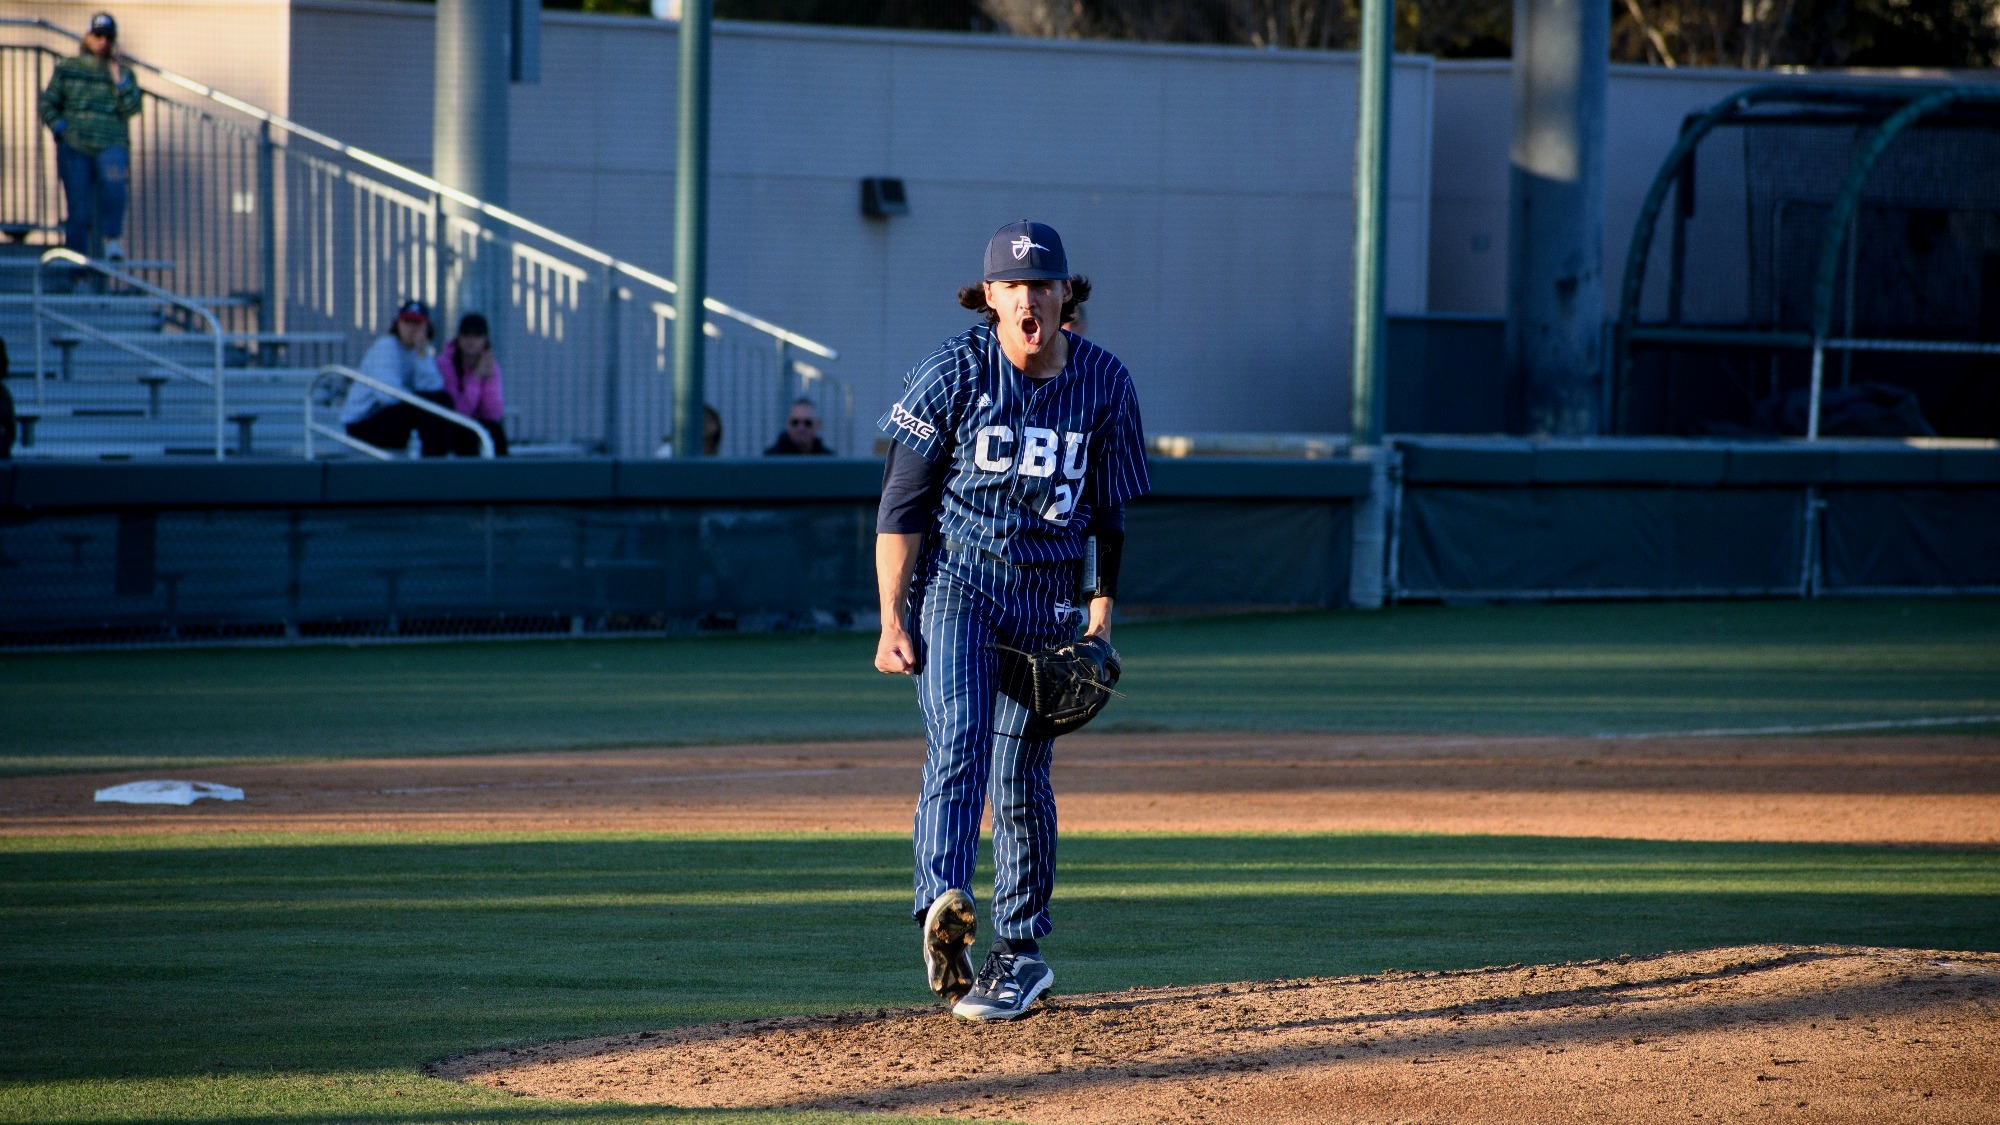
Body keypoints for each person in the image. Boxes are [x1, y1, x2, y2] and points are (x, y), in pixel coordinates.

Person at [874, 220, 1149, 1021]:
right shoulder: (950, 374)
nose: (1029, 298)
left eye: (1043, 284)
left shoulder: (1106, 383)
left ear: (1066, 294)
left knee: (1020, 774)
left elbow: (1107, 518)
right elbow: (901, 506)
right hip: (959, 586)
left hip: (1050, 600)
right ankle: (944, 905)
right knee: (959, 736)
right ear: (989, 296)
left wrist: (1099, 622)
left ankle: (1019, 953)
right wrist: (891, 618)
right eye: (1013, 285)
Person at [40, 12, 141, 261]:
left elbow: (131, 108)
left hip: (111, 143)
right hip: (75, 146)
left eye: (108, 37)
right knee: (79, 209)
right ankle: (77, 270)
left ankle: (112, 242)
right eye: (98, 35)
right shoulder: (68, 68)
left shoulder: (124, 73)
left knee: (114, 188)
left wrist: (119, 80)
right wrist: (60, 128)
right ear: (87, 36)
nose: (103, 42)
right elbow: (48, 103)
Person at [342, 300, 457, 456]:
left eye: (417, 323)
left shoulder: (421, 351)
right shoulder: (386, 346)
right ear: (397, 324)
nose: (412, 328)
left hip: (392, 417)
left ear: (426, 328)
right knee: (426, 406)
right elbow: (387, 396)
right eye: (407, 322)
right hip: (362, 422)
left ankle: (438, 461)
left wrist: (421, 354)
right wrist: (419, 398)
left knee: (443, 400)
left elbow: (434, 387)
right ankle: (431, 462)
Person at [437, 312, 508, 456]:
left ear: (485, 340)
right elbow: (459, 412)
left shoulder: (490, 367)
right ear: (458, 338)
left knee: (496, 432)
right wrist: (476, 378)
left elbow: (492, 413)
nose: (471, 341)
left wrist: (486, 378)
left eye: (477, 336)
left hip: (476, 423)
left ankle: (502, 470)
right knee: (467, 434)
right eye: (466, 335)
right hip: (450, 425)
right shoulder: (445, 364)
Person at [764, 397, 833, 455]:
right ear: (787, 424)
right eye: (795, 422)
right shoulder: (771, 459)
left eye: (808, 423)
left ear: (817, 425)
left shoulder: (829, 459)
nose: (801, 428)